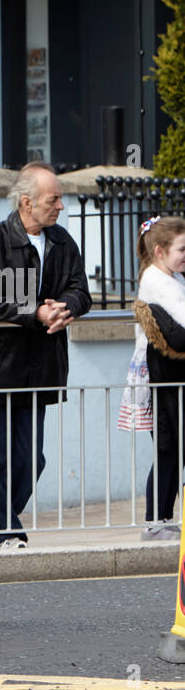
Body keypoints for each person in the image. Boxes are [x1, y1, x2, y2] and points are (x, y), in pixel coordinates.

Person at [0, 161, 91, 551]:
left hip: (39, 369)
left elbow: (80, 289)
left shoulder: (62, 241)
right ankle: (4, 534)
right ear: (26, 202)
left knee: (31, 460)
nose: (61, 206)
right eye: (54, 200)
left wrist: (65, 308)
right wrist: (36, 312)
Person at [130, 216, 185, 539]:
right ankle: (155, 521)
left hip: (170, 375)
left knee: (175, 448)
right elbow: (179, 331)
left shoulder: (173, 277)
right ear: (161, 251)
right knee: (167, 447)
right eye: (182, 249)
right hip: (160, 376)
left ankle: (163, 517)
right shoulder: (156, 281)